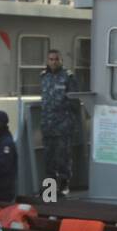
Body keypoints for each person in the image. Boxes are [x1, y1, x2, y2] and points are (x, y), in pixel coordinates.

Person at [40, 49, 81, 197]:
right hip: (48, 125)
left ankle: (64, 185)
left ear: (61, 60)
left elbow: (75, 102)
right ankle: (50, 190)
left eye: (56, 59)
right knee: (49, 159)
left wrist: (71, 121)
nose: (53, 62)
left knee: (63, 157)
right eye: (50, 59)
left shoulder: (68, 77)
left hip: (64, 125)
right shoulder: (44, 77)